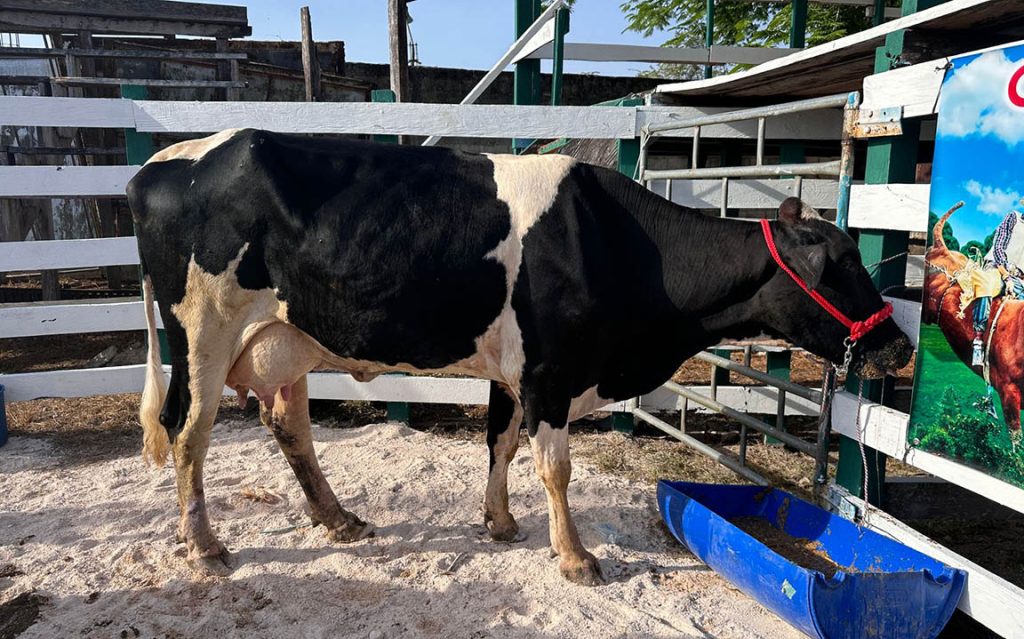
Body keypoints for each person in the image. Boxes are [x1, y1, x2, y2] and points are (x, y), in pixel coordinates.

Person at [973, 200, 1024, 366]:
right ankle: (978, 339)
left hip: (1019, 278)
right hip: (997, 266)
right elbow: (999, 247)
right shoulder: (1013, 218)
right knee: (987, 284)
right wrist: (1006, 277)